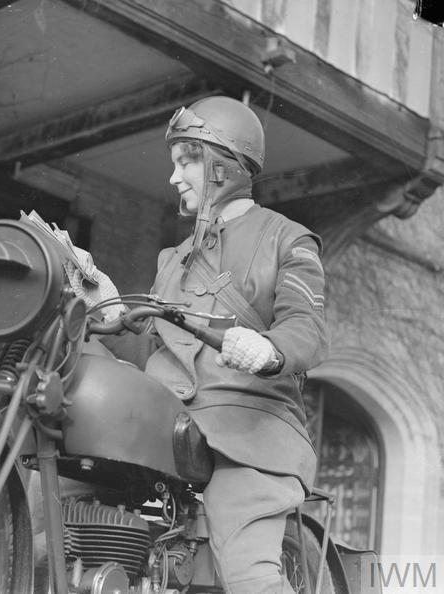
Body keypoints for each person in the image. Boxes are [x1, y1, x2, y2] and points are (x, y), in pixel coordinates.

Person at [108, 96, 329, 593]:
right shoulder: (174, 259)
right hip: (166, 425)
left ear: (223, 166)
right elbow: (157, 348)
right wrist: (105, 308)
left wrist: (269, 350)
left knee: (248, 573)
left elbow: (306, 325)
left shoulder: (287, 240)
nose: (174, 177)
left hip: (248, 432)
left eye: (187, 161)